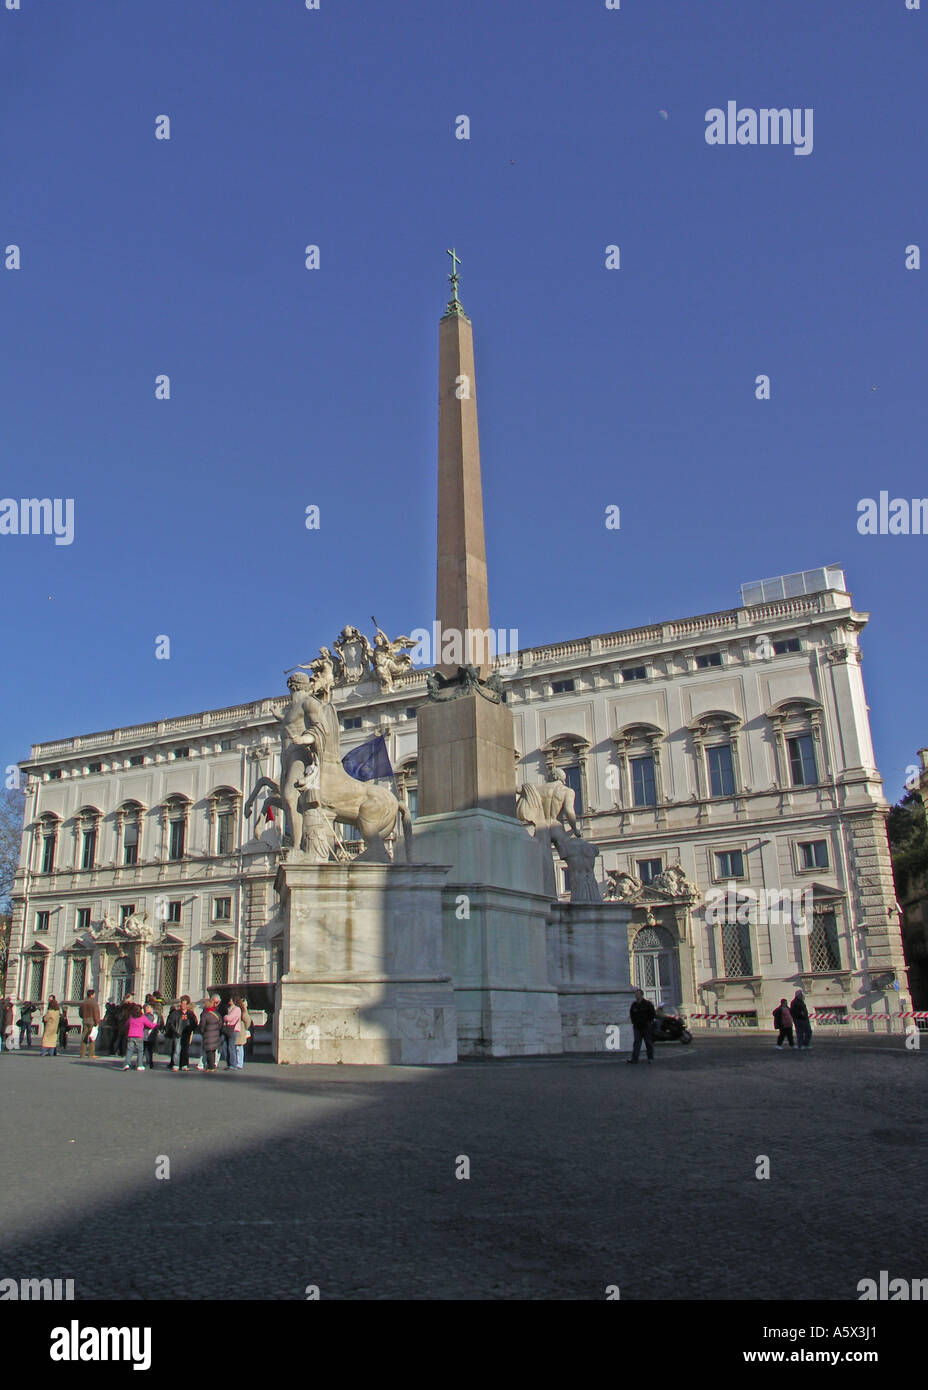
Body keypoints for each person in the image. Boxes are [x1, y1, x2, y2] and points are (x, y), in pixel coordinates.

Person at [165, 996, 198, 1071]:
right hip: (178, 1033)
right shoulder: (176, 1013)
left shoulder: (190, 1013)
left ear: (187, 1005)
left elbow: (195, 1022)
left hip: (186, 1034)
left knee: (185, 1049)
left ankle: (184, 1064)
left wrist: (191, 1029)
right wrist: (175, 1031)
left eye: (185, 1004)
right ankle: (176, 1065)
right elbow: (171, 1023)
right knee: (177, 1050)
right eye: (182, 1004)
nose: (183, 1005)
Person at [123, 1002, 158, 1071]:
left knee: (129, 1050)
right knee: (140, 1051)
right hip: (139, 1036)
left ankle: (127, 1064)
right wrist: (156, 1025)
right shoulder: (142, 1017)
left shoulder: (131, 1017)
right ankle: (139, 1065)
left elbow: (126, 1024)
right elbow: (150, 1025)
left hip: (131, 1035)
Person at [628, 988, 656, 1063]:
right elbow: (631, 1014)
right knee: (637, 1043)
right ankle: (634, 1059)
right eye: (636, 994)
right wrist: (634, 1022)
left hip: (646, 1026)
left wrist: (648, 1022)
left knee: (648, 1042)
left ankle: (650, 1058)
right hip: (637, 1027)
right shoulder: (634, 1005)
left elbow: (652, 1014)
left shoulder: (647, 1004)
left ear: (641, 995)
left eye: (638, 994)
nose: (636, 996)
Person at [198, 995, 223, 1072]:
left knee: (209, 1051)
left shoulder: (206, 1014)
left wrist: (202, 1031)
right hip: (215, 1034)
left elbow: (202, 1025)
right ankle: (213, 1065)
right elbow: (220, 1023)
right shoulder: (216, 1013)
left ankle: (210, 1067)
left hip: (208, 1034)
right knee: (213, 1051)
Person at [143, 993, 164, 1069]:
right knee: (147, 1049)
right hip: (148, 1033)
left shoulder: (154, 1015)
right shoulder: (148, 1015)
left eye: (148, 1007)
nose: (146, 1009)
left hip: (150, 1033)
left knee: (148, 1048)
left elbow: (157, 1023)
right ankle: (148, 1062)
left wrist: (156, 1028)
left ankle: (148, 1062)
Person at [79, 989, 101, 1060]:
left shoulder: (83, 1002)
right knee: (92, 1037)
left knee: (84, 1037)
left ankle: (82, 1053)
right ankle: (91, 1054)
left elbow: (80, 1013)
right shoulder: (94, 1003)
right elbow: (96, 1013)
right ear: (92, 995)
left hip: (85, 1021)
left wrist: (84, 1017)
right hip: (92, 1021)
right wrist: (97, 1021)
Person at [223, 997, 243, 1070]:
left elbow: (229, 1018)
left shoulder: (236, 1009)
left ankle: (233, 1064)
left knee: (231, 1047)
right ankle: (229, 1063)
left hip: (234, 1030)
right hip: (229, 1029)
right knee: (225, 1046)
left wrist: (225, 1017)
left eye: (230, 1001)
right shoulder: (231, 1009)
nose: (229, 1002)